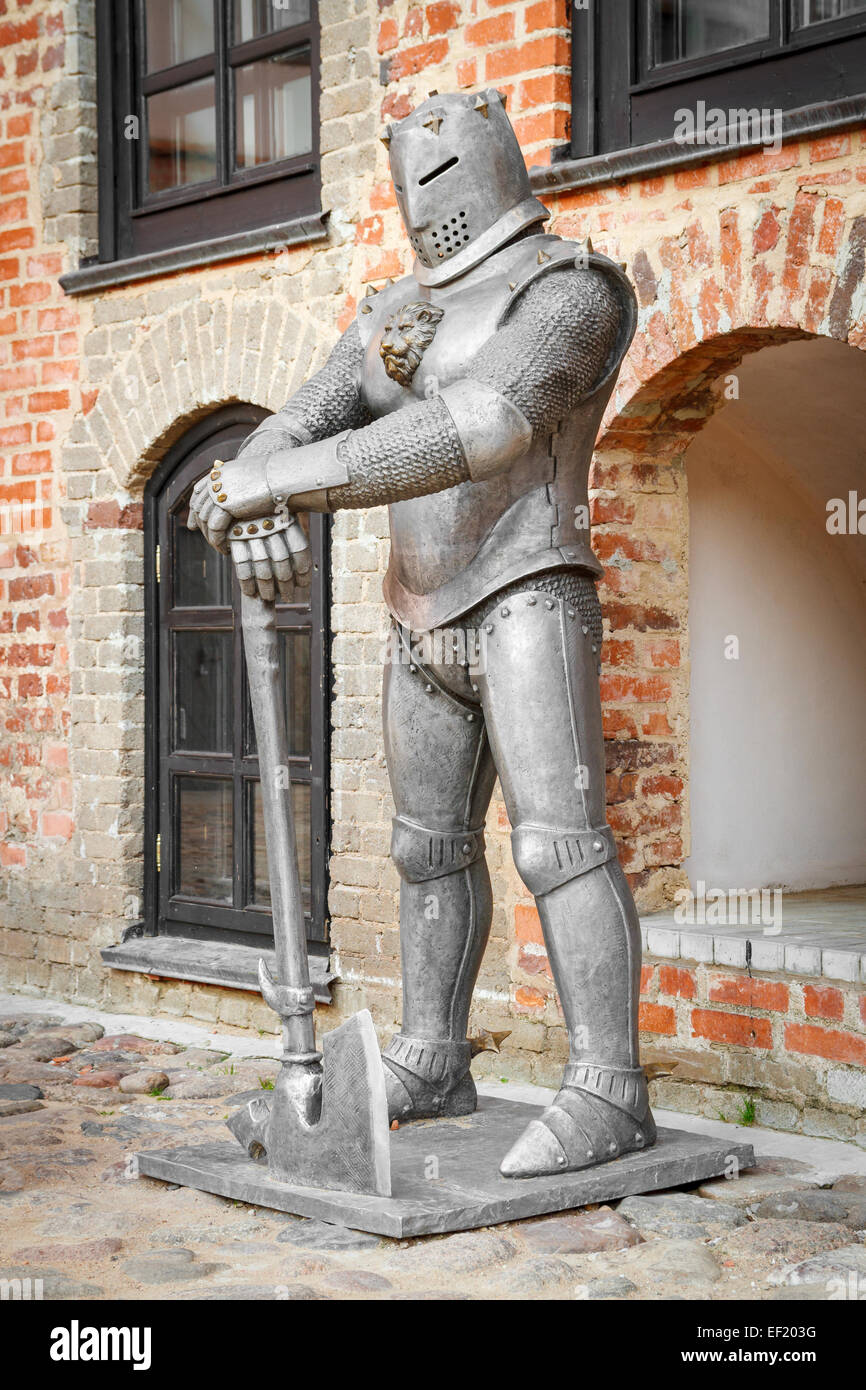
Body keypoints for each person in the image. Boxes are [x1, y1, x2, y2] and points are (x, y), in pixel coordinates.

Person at [188, 89, 655, 1179]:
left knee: (558, 844)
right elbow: (298, 419)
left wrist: (277, 486)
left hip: (526, 590)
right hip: (417, 606)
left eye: (438, 164)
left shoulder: (567, 289)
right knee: (423, 847)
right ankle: (431, 1055)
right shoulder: (397, 308)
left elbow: (479, 429)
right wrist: (240, 484)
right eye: (408, 165)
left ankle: (609, 1085)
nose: (419, 185)